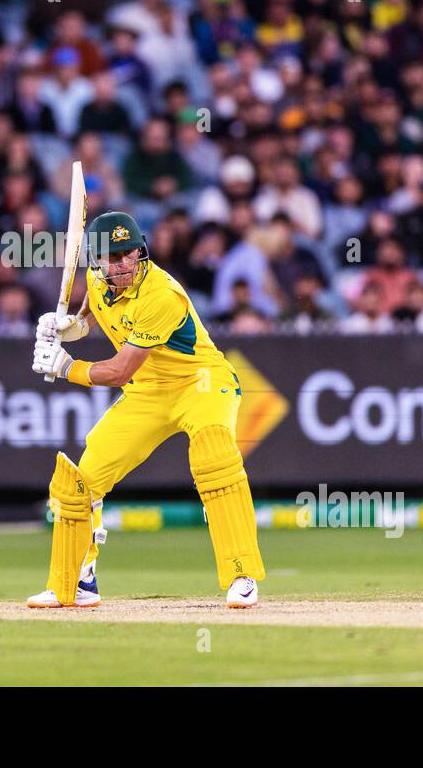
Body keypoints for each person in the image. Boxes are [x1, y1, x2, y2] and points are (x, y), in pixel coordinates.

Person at [29, 210, 264, 609]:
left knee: (214, 455)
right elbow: (92, 318)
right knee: (83, 477)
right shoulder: (95, 281)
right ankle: (76, 583)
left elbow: (120, 370)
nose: (123, 265)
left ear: (141, 252)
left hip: (201, 382)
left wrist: (67, 367)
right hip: (149, 391)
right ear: (97, 261)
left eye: (129, 254)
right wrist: (69, 325)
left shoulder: (161, 295)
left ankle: (242, 575)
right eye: (113, 257)